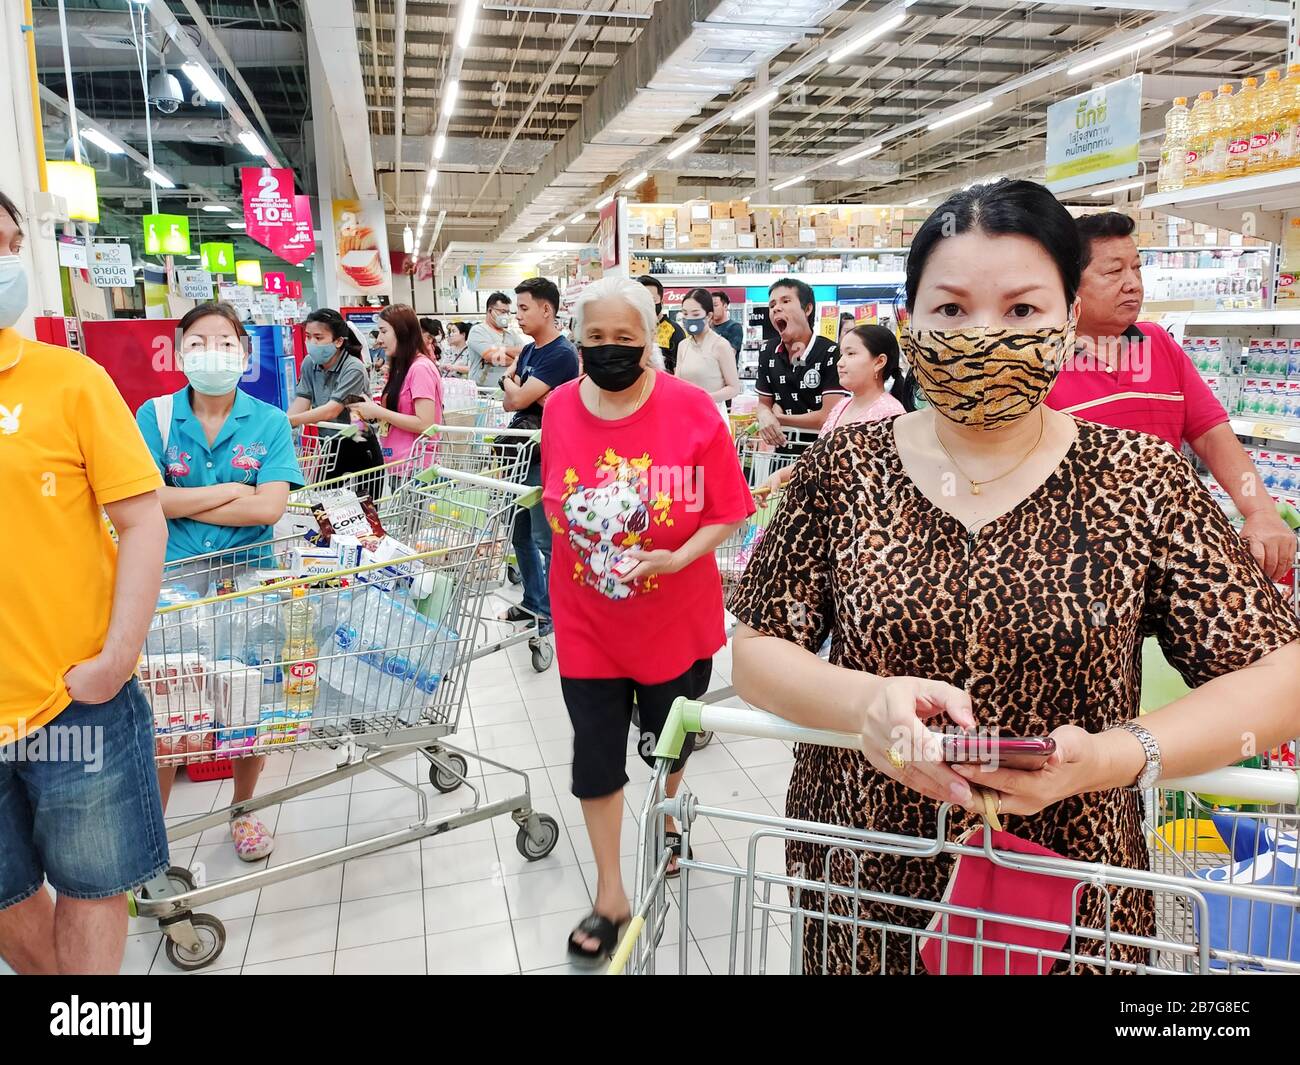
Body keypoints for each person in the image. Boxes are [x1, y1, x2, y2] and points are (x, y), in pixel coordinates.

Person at [727, 179, 1300, 976]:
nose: (983, 334)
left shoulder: (1136, 478)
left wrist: (1115, 755)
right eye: (952, 309)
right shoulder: (844, 466)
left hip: (1073, 886)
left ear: (1069, 322)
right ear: (909, 321)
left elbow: (1279, 673)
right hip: (864, 868)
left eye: (1022, 310)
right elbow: (755, 649)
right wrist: (865, 703)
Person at [542, 275, 753, 964]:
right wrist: (588, 532)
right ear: (578, 339)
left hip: (674, 620)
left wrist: (670, 556)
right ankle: (611, 896)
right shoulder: (559, 408)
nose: (608, 349)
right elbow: (553, 498)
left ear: (649, 335)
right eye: (594, 338)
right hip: (586, 622)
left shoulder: (692, 411)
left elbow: (728, 511)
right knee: (595, 759)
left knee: (668, 745)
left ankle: (669, 809)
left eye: (623, 338)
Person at [0, 190, 170, 976]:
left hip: (71, 703)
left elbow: (142, 519)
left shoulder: (71, 381)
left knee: (94, 882)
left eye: (7, 244)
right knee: (4, 895)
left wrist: (114, 659)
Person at [136, 301, 305, 862]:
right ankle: (152, 835)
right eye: (200, 342)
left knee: (247, 700)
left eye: (226, 342)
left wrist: (186, 503)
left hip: (249, 579)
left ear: (245, 351)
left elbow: (269, 510)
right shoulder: (155, 416)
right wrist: (236, 491)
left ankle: (244, 808)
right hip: (172, 579)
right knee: (167, 705)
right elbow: (147, 501)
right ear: (179, 351)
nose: (214, 353)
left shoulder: (270, 421)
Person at [1046, 211, 1294, 582]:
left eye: (1137, 268)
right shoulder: (1041, 364)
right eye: (1114, 272)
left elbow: (1211, 434)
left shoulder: (1157, 343)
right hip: (1083, 563)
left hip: (1171, 550)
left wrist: (1260, 510)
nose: (1132, 284)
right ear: (1068, 284)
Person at [498, 278, 580, 642]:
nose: (517, 316)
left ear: (547, 310)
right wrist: (518, 391)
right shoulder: (530, 350)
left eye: (523, 308)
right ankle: (533, 600)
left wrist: (514, 388)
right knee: (519, 535)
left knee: (544, 537)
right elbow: (511, 398)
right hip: (519, 452)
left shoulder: (561, 354)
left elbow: (514, 397)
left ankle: (551, 610)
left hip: (546, 456)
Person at [759, 323, 909, 495]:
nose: (840, 363)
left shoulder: (890, 414)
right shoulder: (842, 406)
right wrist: (780, 475)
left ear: (879, 362)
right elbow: (817, 458)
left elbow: (888, 482)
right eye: (841, 354)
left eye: (851, 354)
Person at [288, 308, 384, 492]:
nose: (311, 343)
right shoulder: (309, 363)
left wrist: (290, 421)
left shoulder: (353, 368)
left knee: (367, 509)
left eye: (318, 337)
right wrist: (283, 422)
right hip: (330, 444)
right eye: (308, 337)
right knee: (323, 506)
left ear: (338, 341)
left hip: (359, 442)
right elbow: (302, 399)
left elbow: (332, 410)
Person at [348, 303, 444, 478]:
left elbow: (425, 423)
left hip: (417, 468)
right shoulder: (401, 367)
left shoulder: (420, 368)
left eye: (384, 331)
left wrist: (380, 412)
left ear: (403, 331)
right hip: (399, 466)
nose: (379, 339)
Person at [755, 278, 848, 451]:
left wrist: (779, 418)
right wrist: (764, 415)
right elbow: (763, 403)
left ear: (807, 308)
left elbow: (828, 416)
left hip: (822, 455)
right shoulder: (767, 351)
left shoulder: (831, 353)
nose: (776, 308)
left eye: (786, 301)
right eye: (772, 305)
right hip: (782, 451)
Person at [676, 287, 741, 419]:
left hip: (712, 415)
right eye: (685, 313)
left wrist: (706, 399)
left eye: (695, 314)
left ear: (709, 315)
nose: (688, 319)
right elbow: (678, 381)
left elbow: (734, 388)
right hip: (686, 415)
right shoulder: (683, 345)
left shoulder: (721, 345)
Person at [467, 291, 528, 388]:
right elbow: (494, 358)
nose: (506, 316)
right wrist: (516, 359)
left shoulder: (511, 334)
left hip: (507, 390)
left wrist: (501, 349)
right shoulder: (478, 331)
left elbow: (525, 354)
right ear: (490, 311)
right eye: (503, 312)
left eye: (508, 312)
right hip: (483, 391)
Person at [636, 275, 685, 374]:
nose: (647, 305)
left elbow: (681, 373)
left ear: (662, 302)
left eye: (652, 300)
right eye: (642, 300)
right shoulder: (633, 329)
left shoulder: (674, 331)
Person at [710, 290, 744, 356]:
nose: (712, 309)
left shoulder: (734, 327)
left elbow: (730, 354)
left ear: (725, 306)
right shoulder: (708, 327)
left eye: (715, 305)